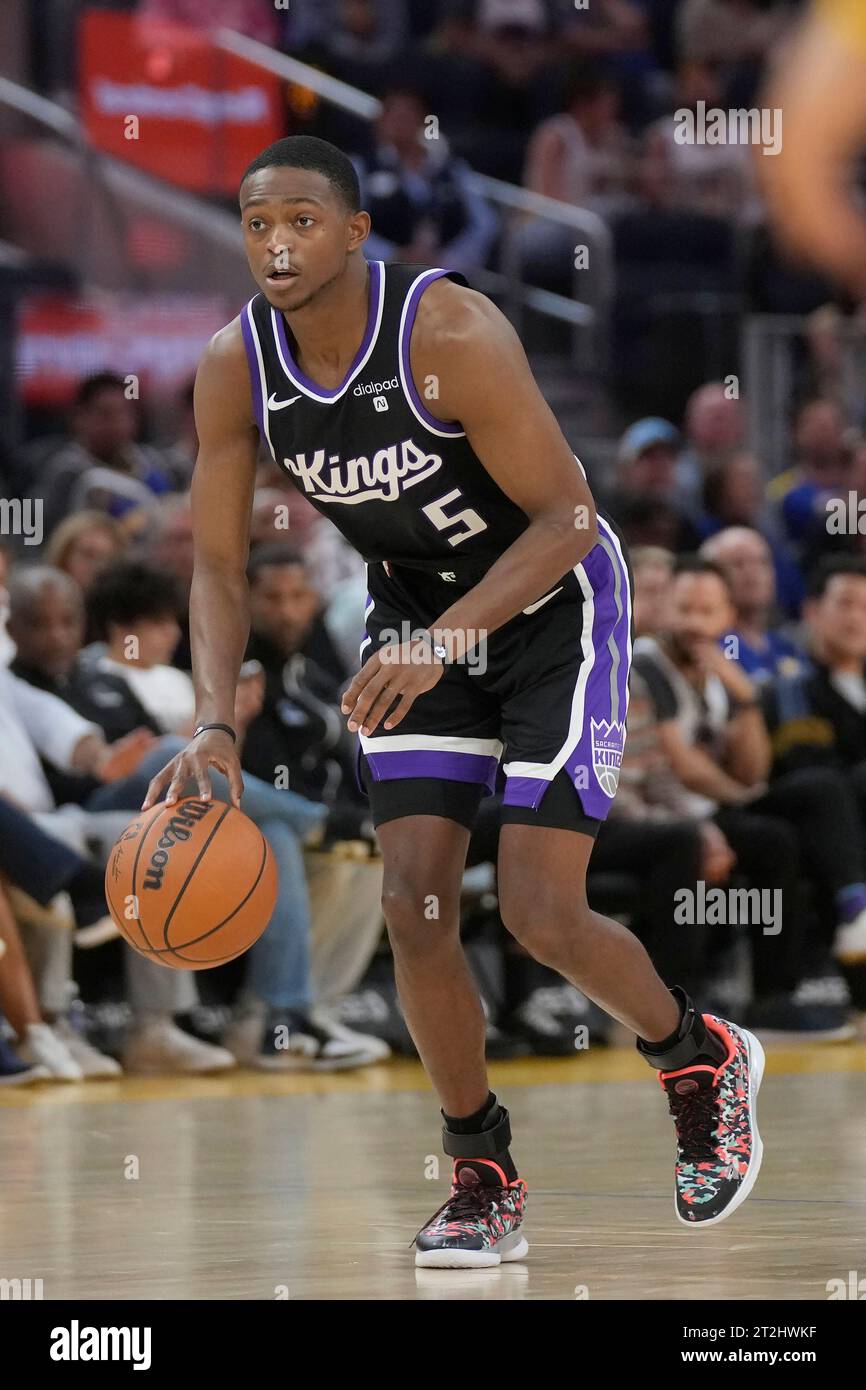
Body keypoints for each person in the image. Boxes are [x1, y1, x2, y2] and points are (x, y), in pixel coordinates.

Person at [144, 134, 764, 1266]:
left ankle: (694, 1055)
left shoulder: (448, 332)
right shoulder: (236, 366)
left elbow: (570, 517)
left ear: (351, 232)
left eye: (297, 222)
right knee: (412, 902)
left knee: (536, 909)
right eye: (254, 224)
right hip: (416, 617)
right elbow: (219, 569)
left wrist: (446, 638)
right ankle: (479, 1169)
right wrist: (214, 722)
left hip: (556, 606)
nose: (274, 246)